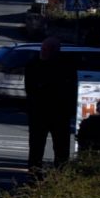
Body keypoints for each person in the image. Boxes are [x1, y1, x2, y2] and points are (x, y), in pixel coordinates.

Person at [24, 36, 79, 172]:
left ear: (55, 51)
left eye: (47, 49)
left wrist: (69, 109)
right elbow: (30, 88)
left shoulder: (65, 66)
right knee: (36, 147)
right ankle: (34, 173)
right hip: (39, 113)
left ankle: (60, 175)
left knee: (61, 148)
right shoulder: (33, 64)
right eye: (42, 48)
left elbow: (71, 89)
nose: (43, 51)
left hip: (59, 113)